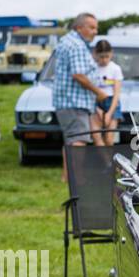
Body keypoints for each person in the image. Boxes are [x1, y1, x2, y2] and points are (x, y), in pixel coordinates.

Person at [52, 12, 103, 173]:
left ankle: (67, 178)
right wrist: (98, 92)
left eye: (96, 28)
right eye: (92, 27)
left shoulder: (67, 41)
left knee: (71, 140)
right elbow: (78, 75)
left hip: (66, 101)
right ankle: (77, 179)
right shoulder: (77, 45)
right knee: (79, 141)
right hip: (75, 102)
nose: (95, 31)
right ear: (80, 27)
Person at [91, 39, 123, 147]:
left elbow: (117, 93)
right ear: (95, 54)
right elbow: (90, 90)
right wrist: (97, 108)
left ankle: (110, 162)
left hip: (111, 103)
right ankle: (105, 163)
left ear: (111, 54)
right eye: (101, 57)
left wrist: (109, 113)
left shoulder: (115, 69)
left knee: (109, 139)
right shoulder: (92, 68)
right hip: (96, 103)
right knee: (97, 137)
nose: (104, 60)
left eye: (107, 56)